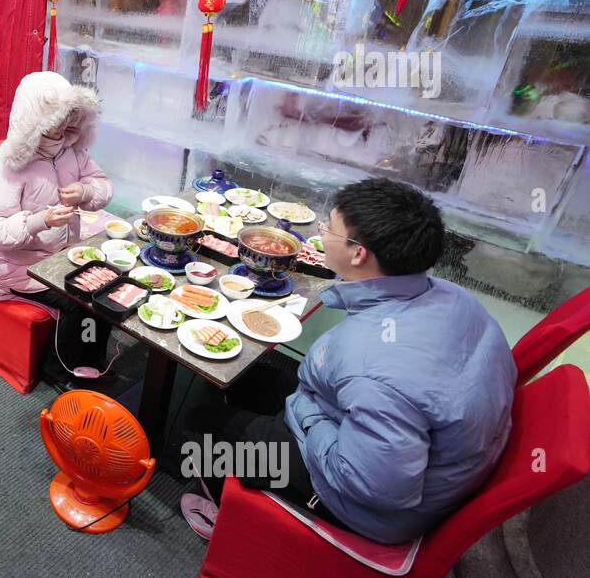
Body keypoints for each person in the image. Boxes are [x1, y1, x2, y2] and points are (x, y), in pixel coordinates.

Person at [180, 177, 516, 545]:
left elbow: (374, 487)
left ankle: (223, 518)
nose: (321, 235)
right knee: (245, 375)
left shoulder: (372, 363)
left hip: (365, 505)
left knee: (203, 425)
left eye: (329, 230)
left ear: (358, 254)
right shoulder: (453, 296)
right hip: (413, 449)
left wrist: (307, 416)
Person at [0, 71, 115, 384]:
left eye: (69, 121)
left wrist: (86, 192)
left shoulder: (72, 149)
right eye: (57, 123)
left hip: (61, 256)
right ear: (34, 120)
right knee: (82, 303)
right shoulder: (7, 166)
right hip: (15, 267)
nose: (64, 130)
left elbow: (103, 186)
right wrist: (41, 221)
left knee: (108, 288)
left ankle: (91, 360)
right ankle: (62, 369)